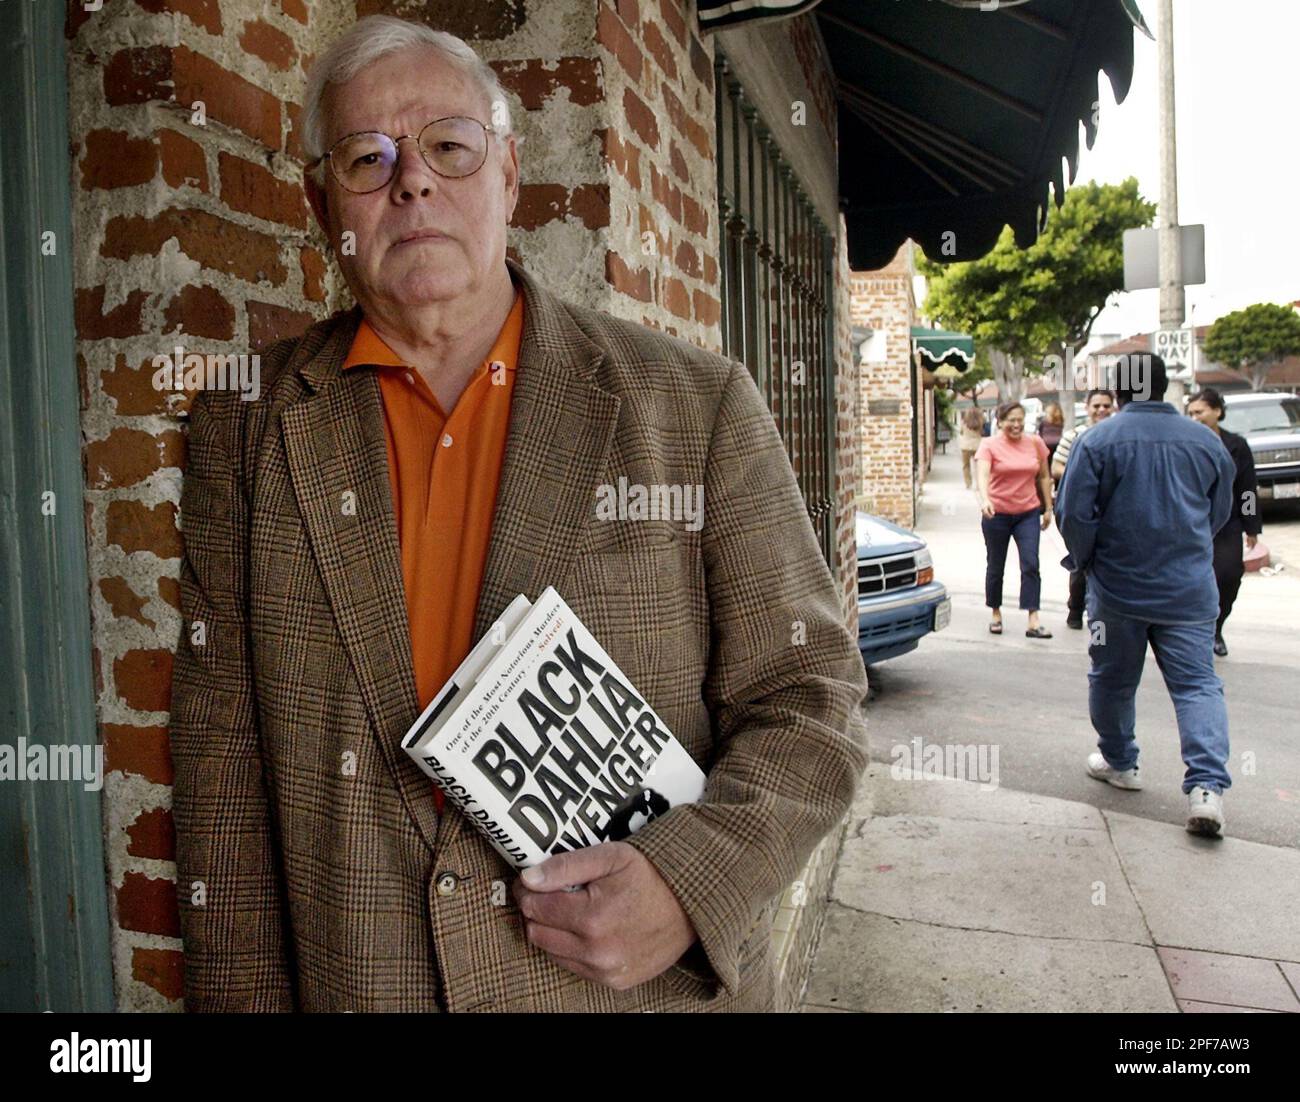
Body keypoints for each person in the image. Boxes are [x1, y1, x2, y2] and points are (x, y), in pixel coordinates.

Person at [167, 15, 869, 1013]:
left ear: (508, 174)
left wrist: (687, 879)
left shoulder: (693, 405)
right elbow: (223, 768)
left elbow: (813, 698)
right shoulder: (248, 430)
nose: (411, 182)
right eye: (367, 160)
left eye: (447, 148)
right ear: (323, 204)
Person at [1056, 355, 1236, 837]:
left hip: (1117, 592)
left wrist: (1088, 560)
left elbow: (1073, 515)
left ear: (1116, 394)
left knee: (1112, 679)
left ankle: (1121, 762)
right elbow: (1217, 515)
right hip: (1189, 592)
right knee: (1197, 685)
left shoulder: (1096, 441)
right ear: (1166, 387)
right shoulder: (1206, 443)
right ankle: (1206, 790)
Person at [1187, 387, 1263, 656]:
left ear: (1217, 411)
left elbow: (1247, 488)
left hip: (1228, 522)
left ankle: (1216, 628)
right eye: (1191, 413)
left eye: (1201, 411)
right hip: (1192, 520)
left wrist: (1251, 525)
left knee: (1229, 575)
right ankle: (1194, 630)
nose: (1195, 418)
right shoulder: (1186, 442)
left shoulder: (1236, 445)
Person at [975, 401, 1054, 638]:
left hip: (1027, 512)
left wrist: (1048, 508)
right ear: (1000, 421)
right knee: (996, 565)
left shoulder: (1035, 443)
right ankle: (996, 613)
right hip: (997, 513)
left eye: (1020, 419)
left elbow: (1044, 477)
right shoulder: (989, 445)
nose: (1017, 425)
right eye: (1011, 420)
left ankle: (1033, 618)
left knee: (1030, 563)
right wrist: (985, 500)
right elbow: (983, 475)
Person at [1050, 388, 1115, 629]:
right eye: (1096, 405)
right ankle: (1076, 609)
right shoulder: (1074, 436)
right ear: (1087, 408)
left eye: (1106, 405)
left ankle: (1102, 612)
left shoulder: (1117, 435)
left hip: (1111, 512)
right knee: (1081, 559)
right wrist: (1082, 474)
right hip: (1081, 508)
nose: (1101, 410)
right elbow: (1056, 468)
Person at [958, 405, 984, 489]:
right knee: (978, 466)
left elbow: (961, 432)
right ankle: (978, 484)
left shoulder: (964, 422)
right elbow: (982, 432)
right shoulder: (980, 422)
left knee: (966, 465)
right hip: (977, 446)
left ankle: (968, 483)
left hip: (965, 446)